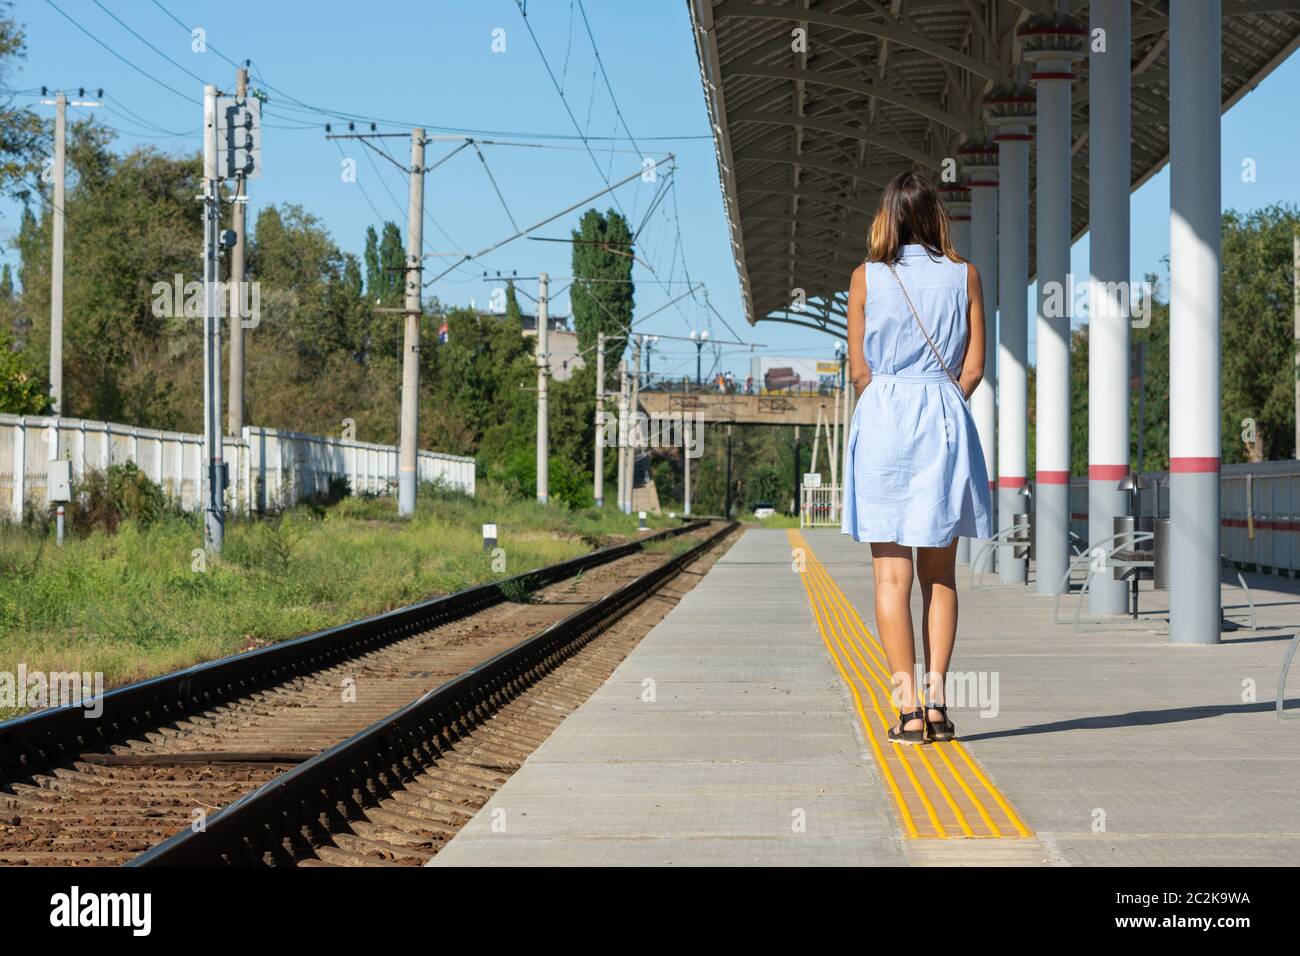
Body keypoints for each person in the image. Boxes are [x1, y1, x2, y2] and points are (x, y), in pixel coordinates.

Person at [841, 170, 993, 745]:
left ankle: (904, 708)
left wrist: (886, 402)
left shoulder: (865, 278)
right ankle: (936, 703)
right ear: (936, 217)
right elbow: (974, 367)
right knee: (940, 574)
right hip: (943, 415)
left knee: (891, 574)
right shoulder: (966, 276)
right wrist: (941, 400)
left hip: (884, 417)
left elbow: (859, 369)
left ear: (887, 217)